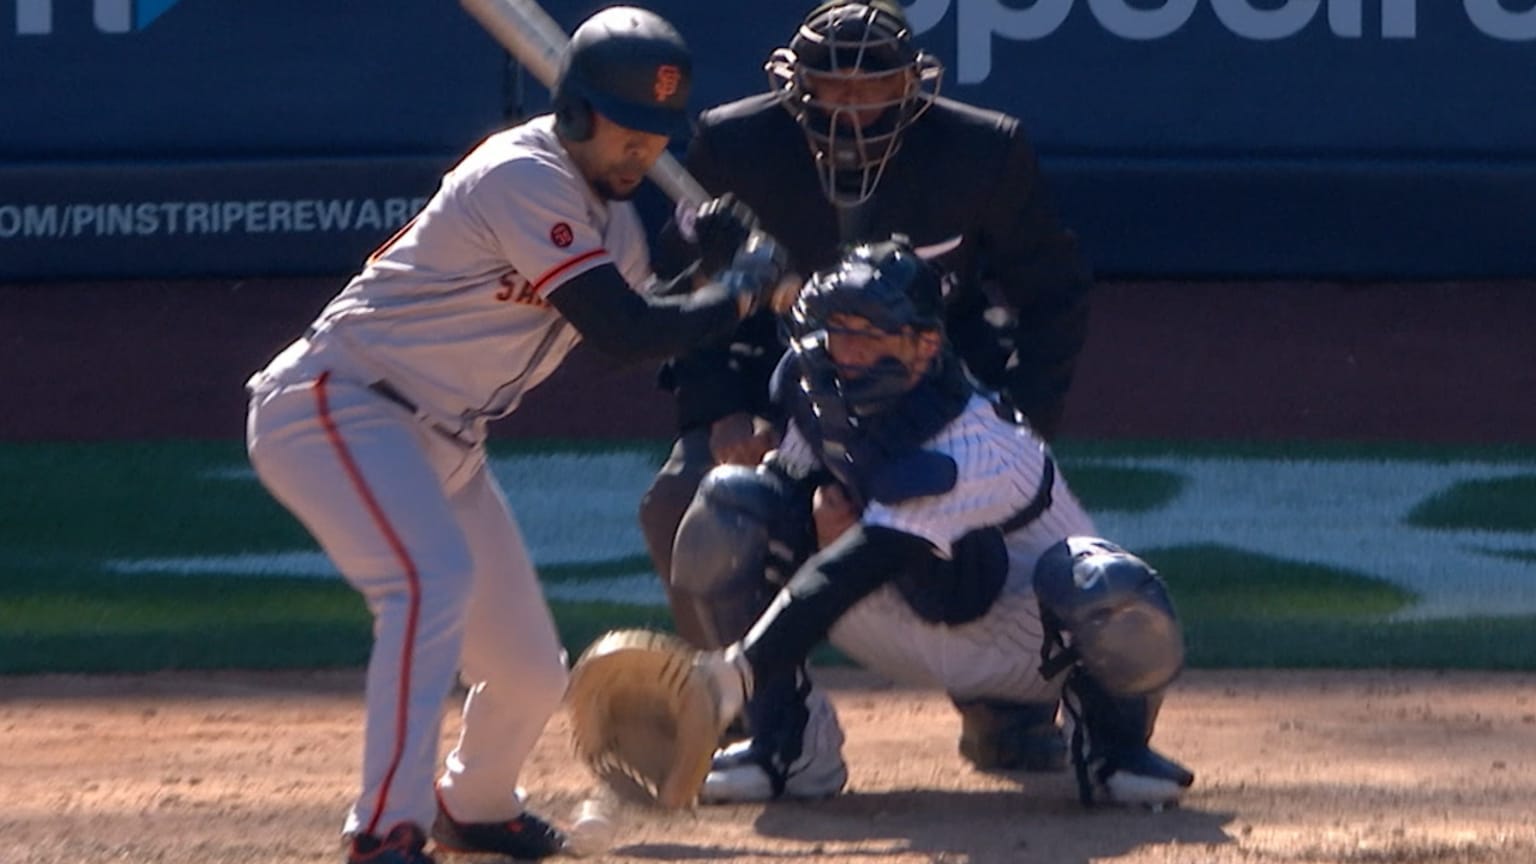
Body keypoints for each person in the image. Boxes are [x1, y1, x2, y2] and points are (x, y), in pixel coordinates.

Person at [243, 8, 791, 864]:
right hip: (338, 404)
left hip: (447, 441)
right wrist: (743, 293)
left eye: (656, 137)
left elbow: (629, 333)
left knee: (532, 668)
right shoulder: (519, 175)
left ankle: (475, 803)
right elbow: (623, 329)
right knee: (427, 585)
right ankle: (385, 828)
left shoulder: (614, 226)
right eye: (628, 132)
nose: (642, 153)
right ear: (574, 114)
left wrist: (713, 273)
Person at [638, 0, 1094, 688]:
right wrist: (718, 408)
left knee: (996, 530)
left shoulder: (984, 153)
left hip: (938, 401)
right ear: (795, 84)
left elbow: (1054, 294)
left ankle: (1006, 706)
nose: (852, 104)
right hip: (781, 389)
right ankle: (760, 716)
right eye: (833, 84)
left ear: (911, 85)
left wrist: (1018, 423)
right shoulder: (734, 147)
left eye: (873, 85)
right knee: (683, 501)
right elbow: (688, 291)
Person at [671, 236, 1193, 807]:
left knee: (1105, 584)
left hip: (1022, 651)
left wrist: (735, 669)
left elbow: (859, 563)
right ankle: (785, 747)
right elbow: (789, 499)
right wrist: (802, 508)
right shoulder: (815, 387)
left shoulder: (978, 444)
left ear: (924, 346)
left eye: (868, 334)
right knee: (734, 505)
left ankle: (1113, 751)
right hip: (888, 618)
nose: (844, 350)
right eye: (837, 328)